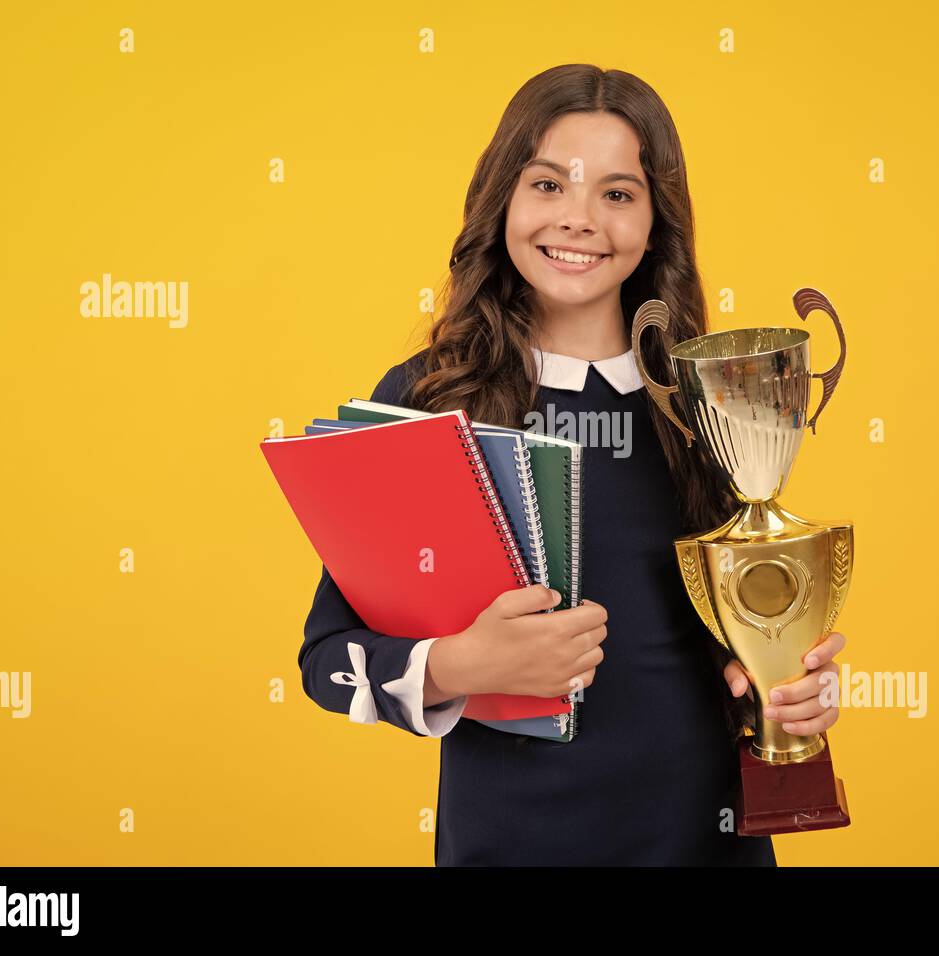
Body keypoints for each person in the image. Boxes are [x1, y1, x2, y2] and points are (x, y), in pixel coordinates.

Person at [298, 63, 847, 865]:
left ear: (658, 222)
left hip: (705, 842)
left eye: (618, 194)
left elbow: (748, 628)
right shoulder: (426, 399)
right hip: (510, 845)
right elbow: (326, 661)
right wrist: (461, 664)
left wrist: (788, 685)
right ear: (503, 201)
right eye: (549, 185)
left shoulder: (711, 400)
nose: (580, 219)